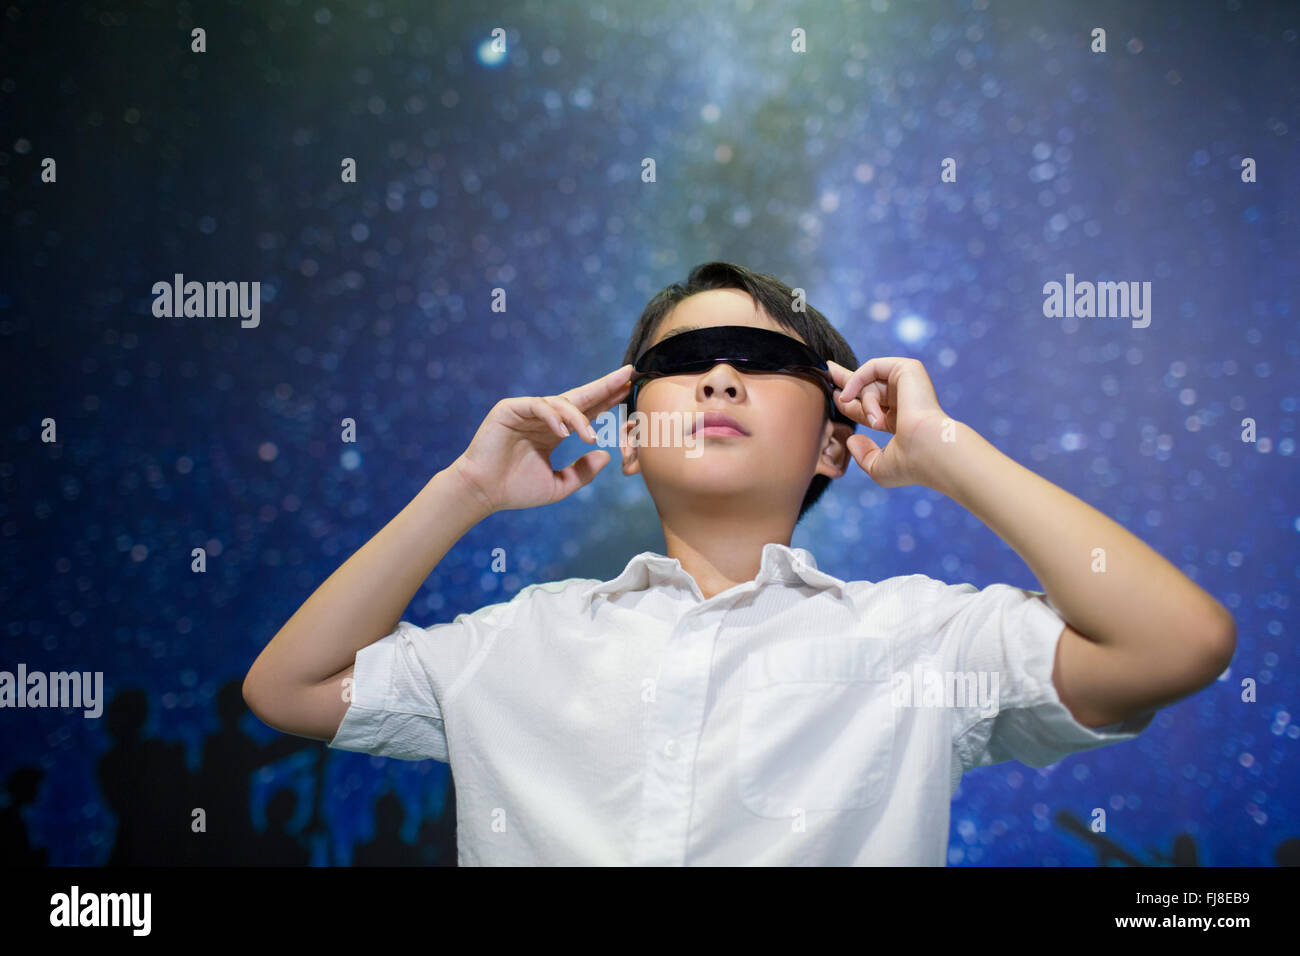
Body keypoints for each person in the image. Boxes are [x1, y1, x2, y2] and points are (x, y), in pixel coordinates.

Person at [242, 261, 1236, 865]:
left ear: (833, 441)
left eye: (765, 364)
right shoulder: (514, 641)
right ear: (629, 436)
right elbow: (288, 684)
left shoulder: (919, 638)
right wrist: (463, 485)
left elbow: (1176, 641)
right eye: (688, 360)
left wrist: (949, 454)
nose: (720, 374)